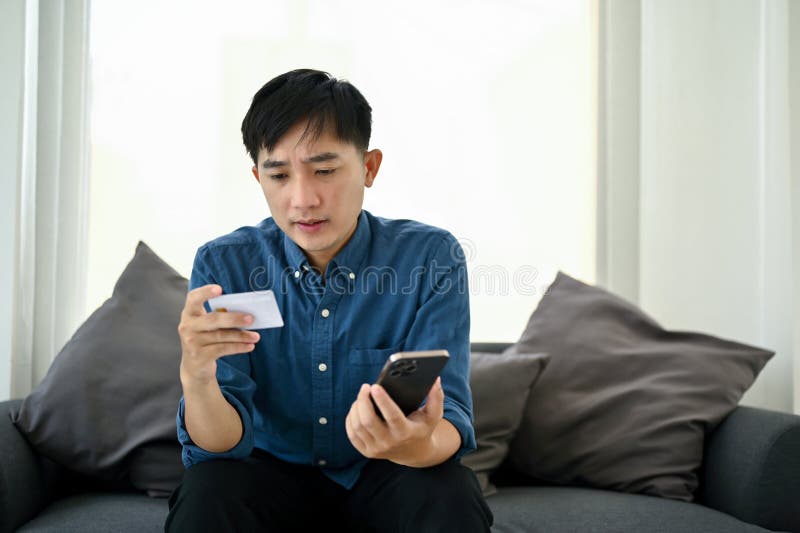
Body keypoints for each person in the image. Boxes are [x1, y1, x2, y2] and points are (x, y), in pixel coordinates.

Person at [165, 69, 493, 532]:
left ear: (369, 167)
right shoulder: (225, 265)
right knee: (208, 489)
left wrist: (411, 444)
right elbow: (219, 448)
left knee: (448, 492)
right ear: (259, 178)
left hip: (384, 472)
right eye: (279, 175)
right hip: (268, 477)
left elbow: (450, 421)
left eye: (324, 170)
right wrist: (196, 376)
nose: (303, 199)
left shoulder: (429, 257)